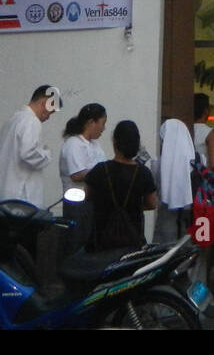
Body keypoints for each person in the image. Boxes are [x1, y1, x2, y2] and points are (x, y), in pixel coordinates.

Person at [84, 120, 158, 251]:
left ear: (115, 143)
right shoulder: (143, 173)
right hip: (133, 240)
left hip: (101, 240)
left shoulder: (100, 170)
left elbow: (88, 196)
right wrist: (133, 205)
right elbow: (152, 203)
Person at [0, 85, 58, 206]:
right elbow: (28, 153)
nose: (48, 118)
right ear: (44, 103)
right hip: (21, 195)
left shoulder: (12, 120)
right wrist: (46, 154)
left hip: (3, 191)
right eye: (50, 113)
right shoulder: (31, 121)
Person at [59, 103, 107, 255]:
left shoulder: (95, 145)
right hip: (77, 204)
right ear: (91, 123)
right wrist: (101, 171)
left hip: (93, 203)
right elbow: (77, 174)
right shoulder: (74, 144)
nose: (103, 129)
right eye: (102, 123)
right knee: (77, 244)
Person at [153, 118, 197, 244]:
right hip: (194, 215)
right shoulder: (199, 160)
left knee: (165, 251)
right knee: (190, 252)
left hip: (166, 215)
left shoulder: (157, 163)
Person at [193, 92, 214, 172]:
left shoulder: (186, 129)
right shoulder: (210, 133)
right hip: (202, 177)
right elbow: (213, 163)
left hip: (187, 176)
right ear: (206, 111)